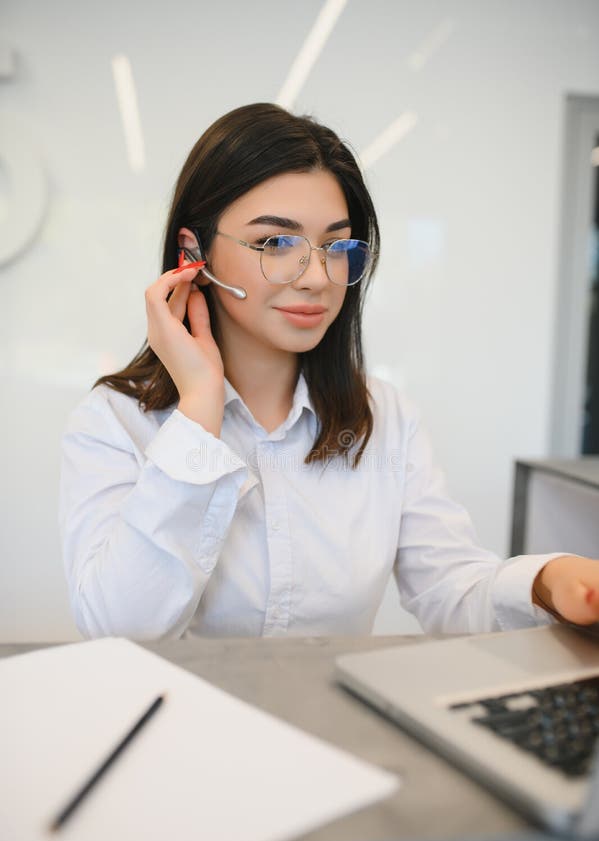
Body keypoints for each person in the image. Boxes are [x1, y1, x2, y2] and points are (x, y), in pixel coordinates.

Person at [58, 102, 599, 640]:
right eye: (275, 242)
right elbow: (119, 630)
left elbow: (449, 586)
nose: (317, 277)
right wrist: (199, 408)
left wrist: (548, 581)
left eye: (336, 246)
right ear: (192, 252)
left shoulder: (383, 416)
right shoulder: (114, 421)